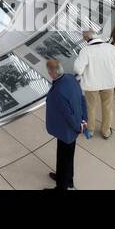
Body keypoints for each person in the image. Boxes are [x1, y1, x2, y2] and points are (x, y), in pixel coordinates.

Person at [74, 29, 115, 139]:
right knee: (107, 107)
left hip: (91, 86)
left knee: (90, 107)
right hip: (108, 84)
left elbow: (77, 68)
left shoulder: (86, 51)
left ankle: (90, 130)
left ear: (86, 39)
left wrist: (82, 74)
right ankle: (106, 131)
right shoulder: (111, 48)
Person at [43, 59, 86, 190]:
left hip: (66, 130)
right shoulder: (70, 78)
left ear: (51, 74)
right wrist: (84, 120)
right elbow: (81, 98)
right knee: (68, 155)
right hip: (74, 127)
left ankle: (61, 186)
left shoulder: (58, 91)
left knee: (63, 158)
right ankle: (68, 180)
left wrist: (77, 127)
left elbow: (68, 115)